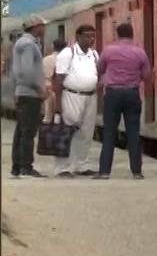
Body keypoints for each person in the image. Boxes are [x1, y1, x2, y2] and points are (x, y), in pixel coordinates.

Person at [94, 22, 151, 180]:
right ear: (132, 34)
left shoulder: (108, 51)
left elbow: (99, 69)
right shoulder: (140, 52)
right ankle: (137, 172)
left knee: (109, 133)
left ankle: (104, 172)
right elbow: (147, 76)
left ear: (117, 34)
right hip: (132, 94)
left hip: (112, 94)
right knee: (133, 133)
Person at [50, 25, 101, 178]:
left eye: (93, 36)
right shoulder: (68, 53)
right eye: (87, 36)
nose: (91, 39)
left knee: (86, 132)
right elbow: (58, 79)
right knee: (67, 131)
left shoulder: (94, 54)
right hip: (71, 95)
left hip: (90, 96)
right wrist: (58, 105)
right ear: (78, 37)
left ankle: (81, 164)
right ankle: (62, 167)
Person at [9, 17, 47, 178]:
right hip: (30, 93)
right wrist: (39, 89)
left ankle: (17, 166)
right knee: (28, 132)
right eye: (42, 26)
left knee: (21, 131)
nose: (44, 29)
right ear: (35, 27)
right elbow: (27, 71)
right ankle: (26, 166)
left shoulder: (22, 43)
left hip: (24, 92)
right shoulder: (29, 45)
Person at [40, 39, 66, 122]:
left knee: (47, 114)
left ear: (53, 47)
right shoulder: (65, 60)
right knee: (59, 114)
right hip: (60, 89)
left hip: (47, 87)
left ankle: (46, 128)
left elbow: (41, 74)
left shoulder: (45, 60)